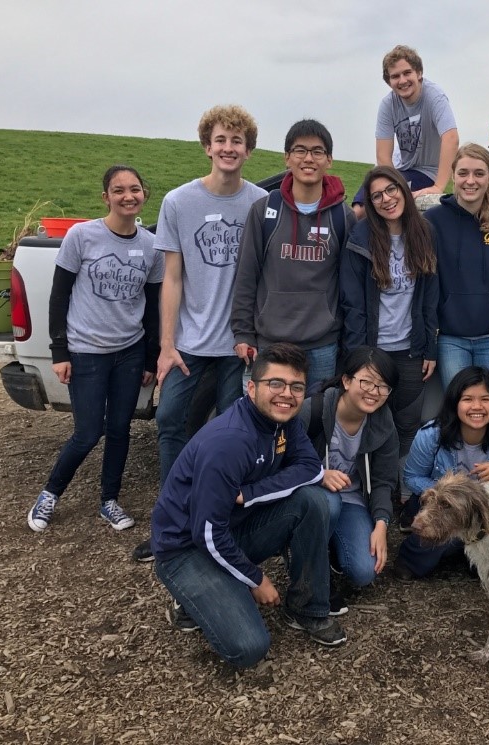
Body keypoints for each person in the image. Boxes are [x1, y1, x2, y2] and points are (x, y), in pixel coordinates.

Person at [151, 343, 346, 666]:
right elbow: (207, 534)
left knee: (312, 499)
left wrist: (252, 492)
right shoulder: (228, 442)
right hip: (186, 547)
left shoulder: (283, 420)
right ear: (252, 387)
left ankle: (307, 608)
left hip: (233, 525)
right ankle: (188, 597)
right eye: (276, 384)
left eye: (296, 387)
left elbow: (310, 468)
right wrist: (255, 578)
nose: (287, 394)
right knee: (248, 648)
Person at [28, 165, 163, 533]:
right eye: (118, 190)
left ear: (144, 194)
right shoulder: (82, 236)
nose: (128, 196)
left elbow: (152, 307)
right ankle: (50, 494)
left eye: (135, 189)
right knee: (88, 432)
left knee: (120, 430)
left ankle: (109, 500)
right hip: (86, 350)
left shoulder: (151, 246)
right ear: (106, 197)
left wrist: (150, 356)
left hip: (130, 353)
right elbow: (59, 296)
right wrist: (60, 351)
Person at [154, 105, 267, 486]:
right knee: (169, 419)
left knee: (231, 428)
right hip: (189, 341)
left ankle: (218, 500)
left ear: (248, 150)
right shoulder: (178, 202)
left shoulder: (260, 204)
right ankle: (173, 504)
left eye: (237, 141)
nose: (228, 148)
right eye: (221, 140)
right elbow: (172, 278)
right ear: (207, 146)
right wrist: (167, 344)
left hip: (238, 343)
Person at [231, 119, 355, 393]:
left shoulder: (342, 216)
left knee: (314, 423)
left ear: (329, 160)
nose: (308, 158)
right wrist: (242, 332)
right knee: (264, 423)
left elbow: (350, 286)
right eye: (300, 150)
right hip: (270, 341)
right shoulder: (265, 210)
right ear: (287, 158)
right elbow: (246, 275)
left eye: (317, 151)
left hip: (322, 343)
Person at [340, 166, 439, 477]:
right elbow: (353, 304)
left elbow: (430, 298)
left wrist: (430, 348)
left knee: (408, 422)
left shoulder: (424, 232)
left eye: (391, 190)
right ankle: (369, 487)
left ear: (403, 191)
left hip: (411, 350)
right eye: (377, 196)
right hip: (375, 350)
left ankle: (401, 487)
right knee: (371, 420)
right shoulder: (360, 238)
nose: (386, 199)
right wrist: (359, 358)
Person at [393, 367, 489, 580]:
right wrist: (447, 493)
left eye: (485, 399)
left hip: (486, 512)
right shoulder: (430, 436)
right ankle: (424, 551)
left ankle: (461, 550)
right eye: (467, 399)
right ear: (455, 403)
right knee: (420, 555)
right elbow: (412, 477)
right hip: (442, 507)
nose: (476, 407)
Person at [299, 347, 400, 609]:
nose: (373, 391)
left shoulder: (383, 424)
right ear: (346, 380)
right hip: (310, 493)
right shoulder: (313, 410)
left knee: (365, 572)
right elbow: (286, 460)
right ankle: (310, 574)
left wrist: (381, 523)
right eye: (366, 381)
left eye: (382, 386)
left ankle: (332, 546)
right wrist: (318, 475)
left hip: (352, 499)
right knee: (328, 503)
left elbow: (383, 480)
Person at [425, 143, 489, 388]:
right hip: (450, 340)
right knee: (459, 405)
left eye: (479, 173)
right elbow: (427, 285)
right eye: (463, 173)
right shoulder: (433, 220)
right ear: (453, 175)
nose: (471, 181)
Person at [373, 44, 458, 199]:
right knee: (361, 207)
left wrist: (438, 187)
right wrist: (393, 186)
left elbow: (451, 138)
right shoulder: (387, 105)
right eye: (395, 76)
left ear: (419, 73)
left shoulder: (434, 97)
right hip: (399, 170)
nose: (402, 80)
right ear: (388, 81)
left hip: (426, 171)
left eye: (407, 73)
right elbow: (383, 156)